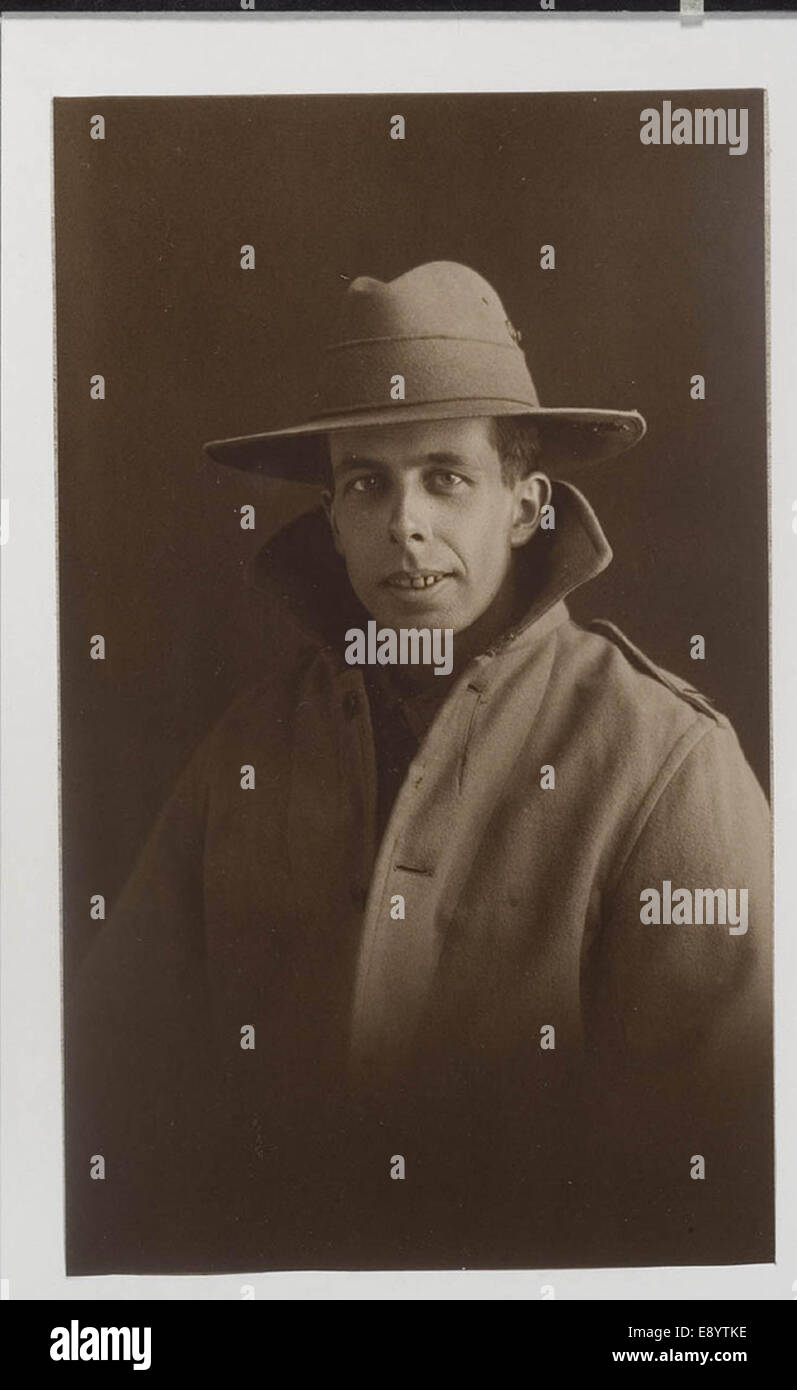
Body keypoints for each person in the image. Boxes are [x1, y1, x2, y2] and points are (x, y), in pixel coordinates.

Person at [66, 262, 772, 1274]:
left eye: (445, 477)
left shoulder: (664, 762)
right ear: (332, 518)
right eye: (366, 483)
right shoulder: (248, 751)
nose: (405, 523)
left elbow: (713, 1185)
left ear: (522, 505)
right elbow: (110, 1081)